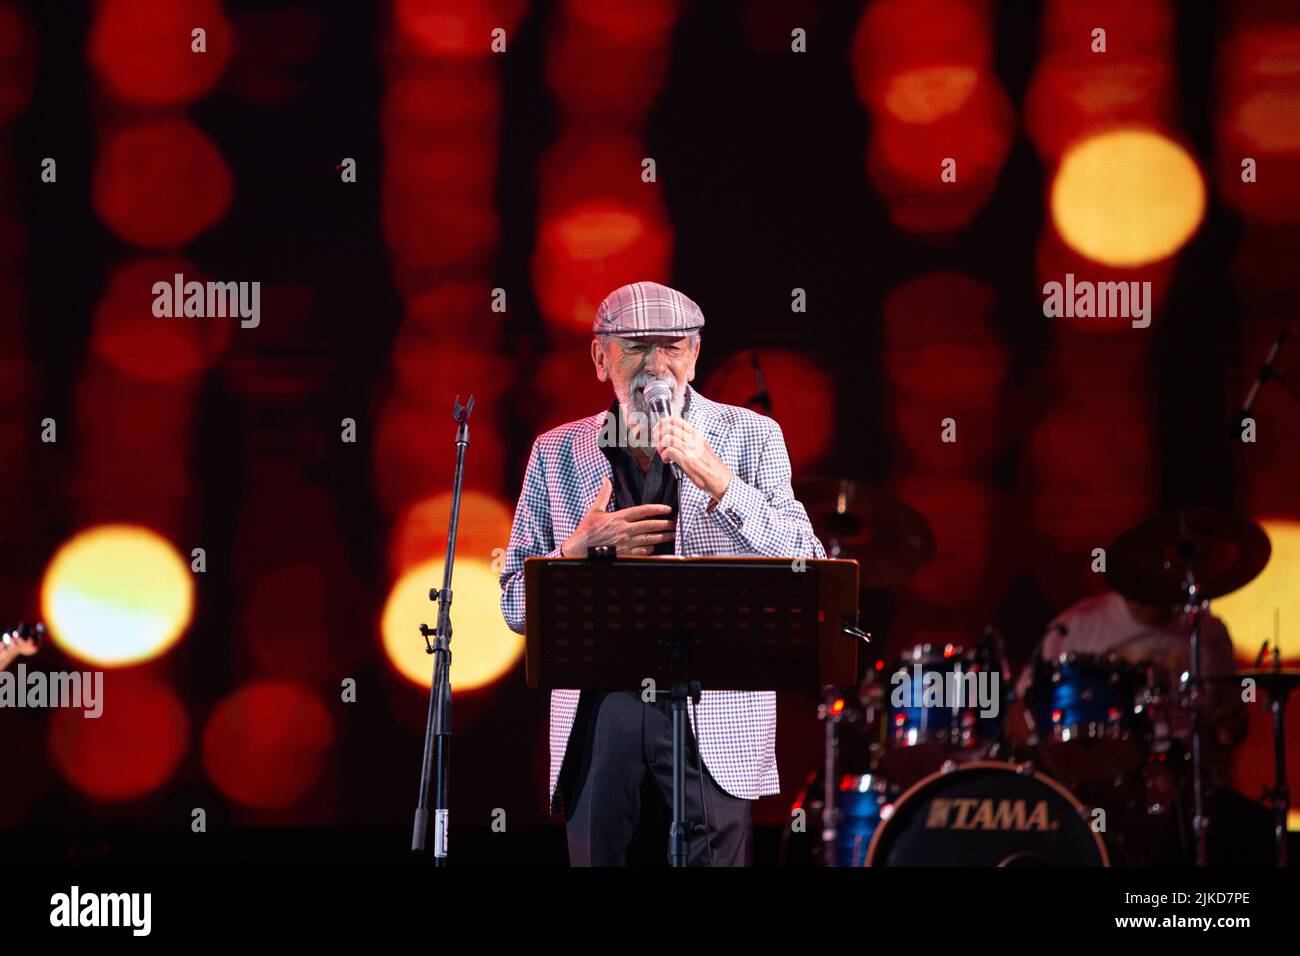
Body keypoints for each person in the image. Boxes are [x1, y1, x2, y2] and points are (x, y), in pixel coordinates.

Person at [499, 281, 825, 866]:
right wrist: (574, 551)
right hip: (601, 705)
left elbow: (809, 564)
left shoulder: (751, 437)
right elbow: (514, 608)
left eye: (672, 347)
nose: (656, 365)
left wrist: (721, 482)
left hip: (715, 697)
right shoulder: (557, 451)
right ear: (601, 359)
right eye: (635, 348)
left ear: (695, 355)